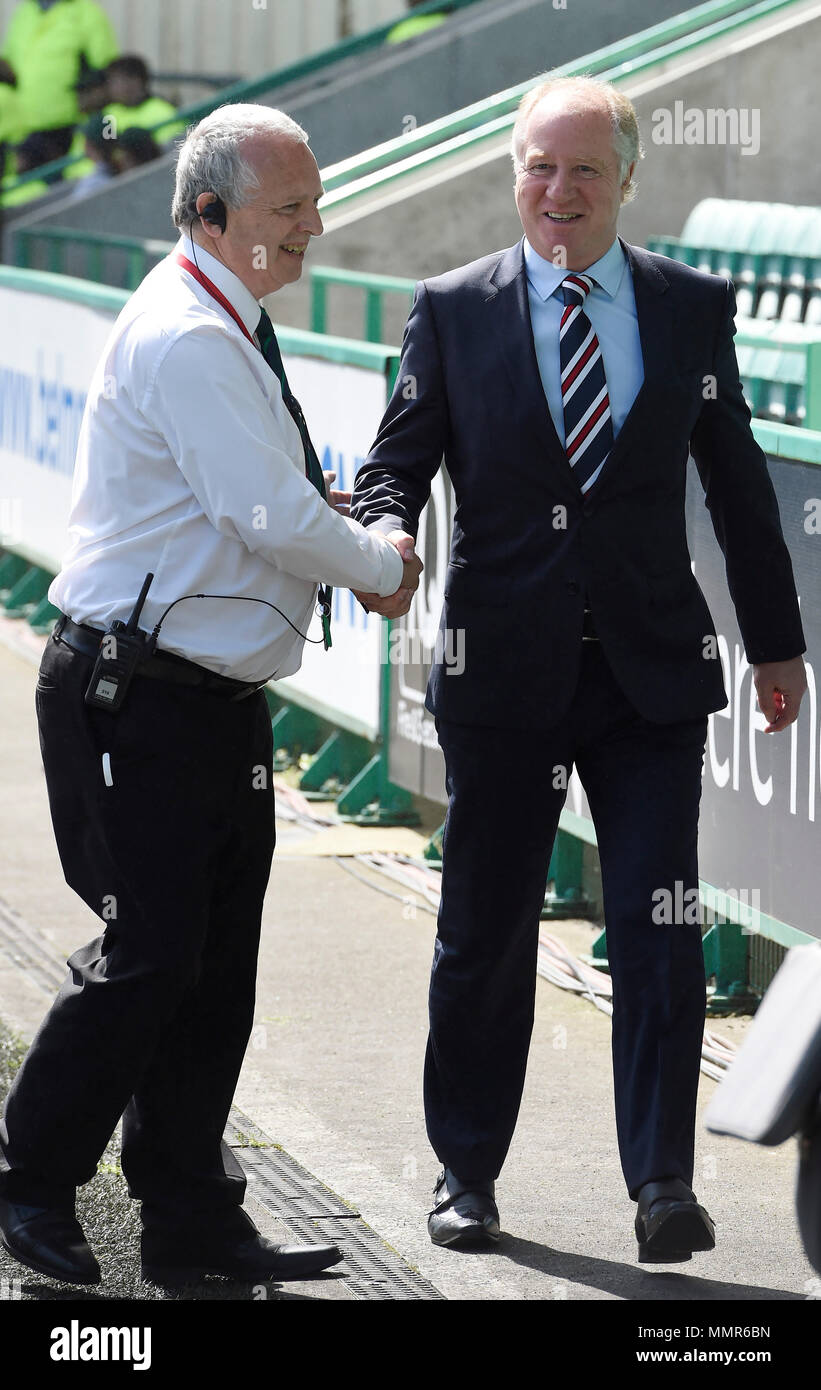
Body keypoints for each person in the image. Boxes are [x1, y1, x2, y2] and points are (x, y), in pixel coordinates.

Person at [349, 75, 808, 1261]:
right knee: (483, 930)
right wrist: (386, 528)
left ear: (624, 182)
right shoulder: (450, 310)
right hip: (500, 673)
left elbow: (739, 482)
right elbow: (395, 456)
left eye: (582, 170)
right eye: (536, 168)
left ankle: (660, 1184)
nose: (556, 191)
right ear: (513, 174)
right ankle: (463, 1174)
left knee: (657, 924)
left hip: (648, 680)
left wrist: (774, 641)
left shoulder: (689, 308)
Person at [0, 102, 421, 1289]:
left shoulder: (224, 315)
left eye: (311, 204)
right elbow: (265, 514)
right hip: (136, 694)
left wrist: (335, 530)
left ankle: (188, 1218)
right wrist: (380, 565)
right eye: (286, 210)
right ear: (206, 214)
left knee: (210, 971)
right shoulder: (190, 334)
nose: (310, 230)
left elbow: (262, 502)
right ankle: (30, 1177)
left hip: (205, 699)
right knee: (152, 957)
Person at [0, 0, 118, 154]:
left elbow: (105, 66)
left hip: (68, 124)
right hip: (24, 128)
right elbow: (10, 65)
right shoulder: (25, 12)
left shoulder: (85, 11)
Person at [103, 55, 183, 145]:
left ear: (136, 81)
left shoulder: (164, 112)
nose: (111, 88)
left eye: (115, 82)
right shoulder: (108, 114)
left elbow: (168, 152)